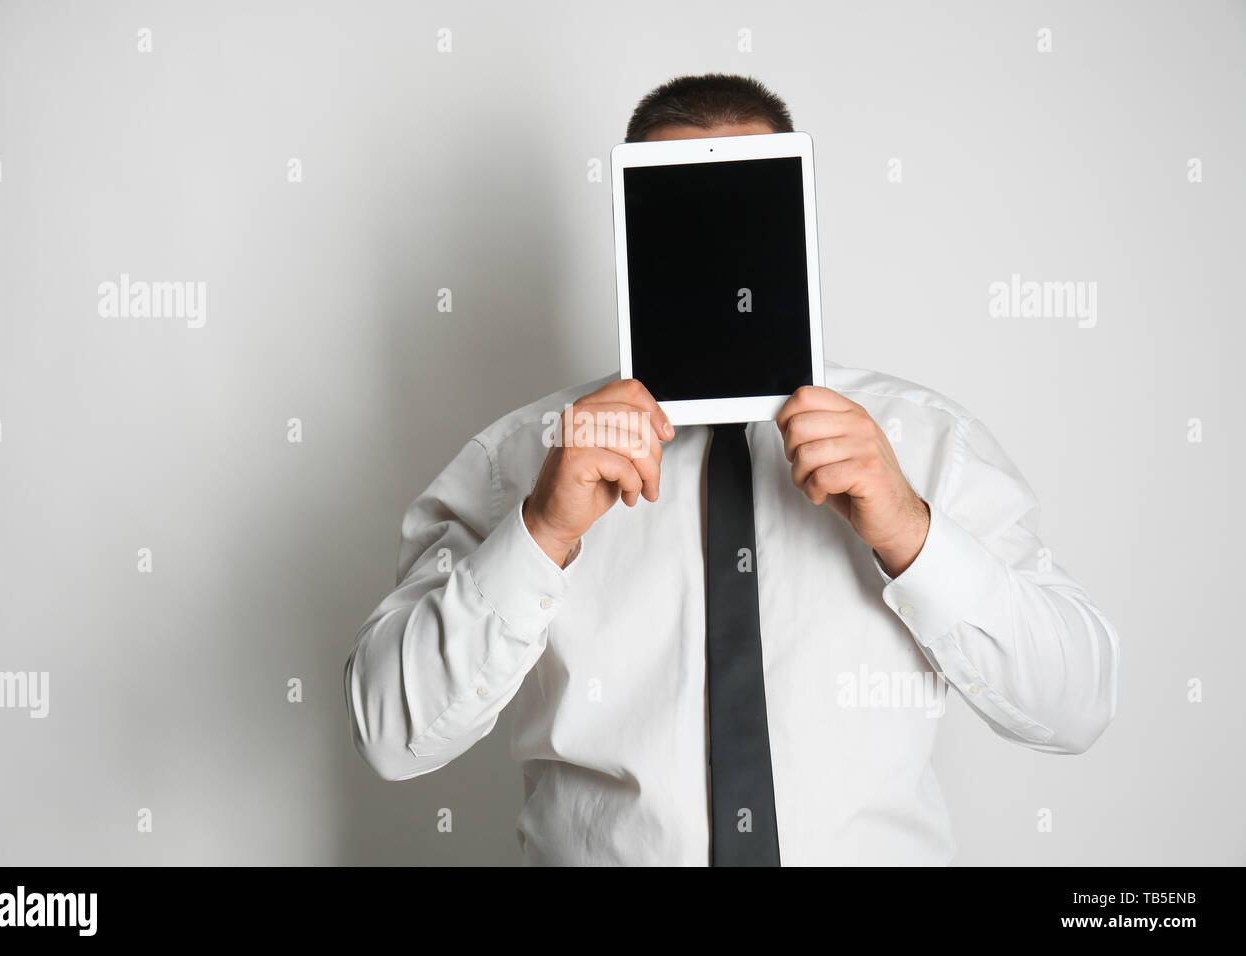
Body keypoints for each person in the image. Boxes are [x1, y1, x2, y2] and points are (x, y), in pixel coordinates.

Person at [344, 73, 1119, 866]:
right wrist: (541, 533)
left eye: (746, 218)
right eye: (685, 221)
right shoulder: (518, 460)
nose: (720, 258)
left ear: (796, 231)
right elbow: (392, 735)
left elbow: (1075, 705)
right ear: (631, 239)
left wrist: (911, 531)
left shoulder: (924, 442)